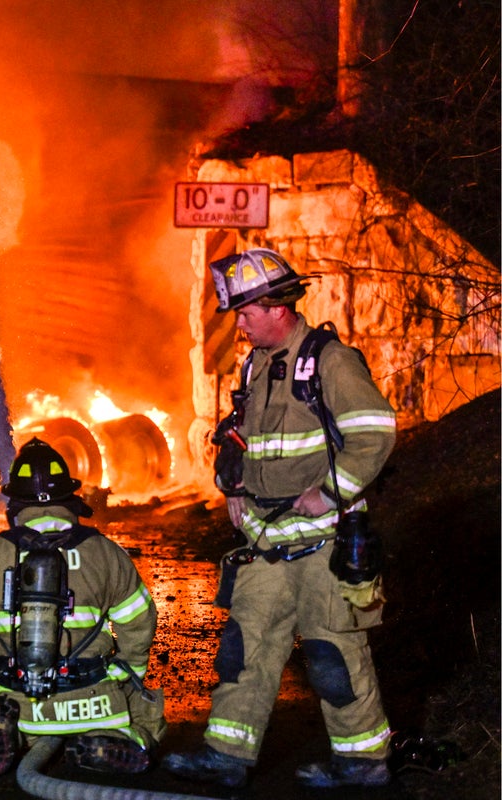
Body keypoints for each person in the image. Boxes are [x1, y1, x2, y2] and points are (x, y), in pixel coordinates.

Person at [162, 248, 397, 789]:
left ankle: (363, 765)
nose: (239, 326)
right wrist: (236, 485)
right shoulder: (258, 365)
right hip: (268, 541)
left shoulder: (332, 362)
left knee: (333, 654)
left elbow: (375, 432)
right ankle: (226, 757)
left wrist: (331, 492)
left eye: (245, 314)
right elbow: (246, 437)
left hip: (325, 544)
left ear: (276, 308)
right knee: (244, 649)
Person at [0, 437, 166, 776]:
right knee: (145, 716)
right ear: (70, 499)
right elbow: (139, 622)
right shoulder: (107, 554)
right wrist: (122, 674)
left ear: (15, 504)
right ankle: (110, 739)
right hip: (93, 700)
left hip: (12, 698)